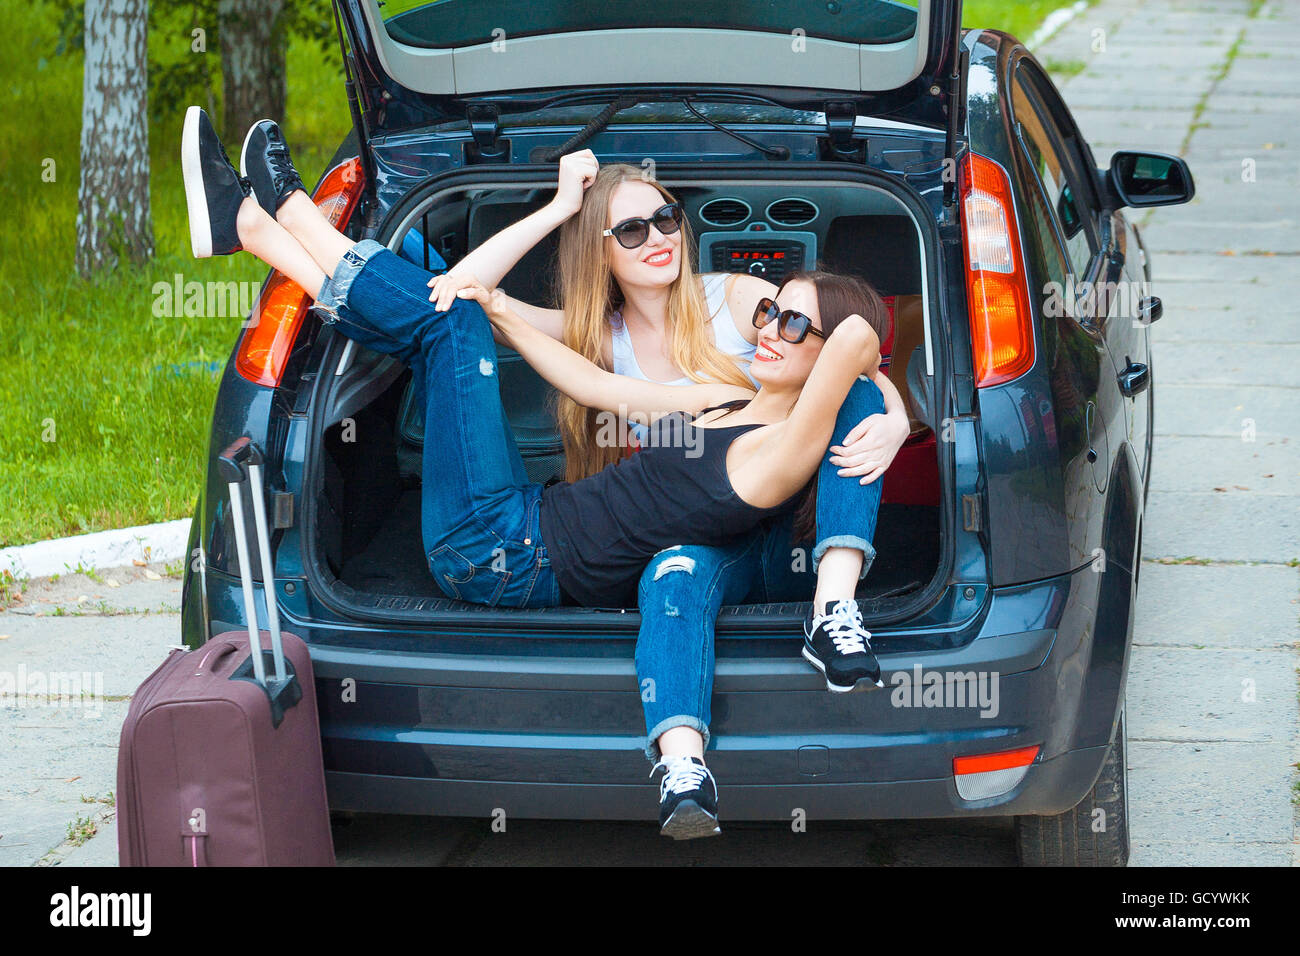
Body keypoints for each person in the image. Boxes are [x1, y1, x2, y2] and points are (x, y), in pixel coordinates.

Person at [182, 107, 890, 837]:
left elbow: (860, 342)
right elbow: (599, 390)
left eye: (798, 326)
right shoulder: (720, 400)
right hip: (522, 512)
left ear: (826, 367)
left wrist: (889, 414)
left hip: (501, 552)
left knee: (446, 325)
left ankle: (273, 219)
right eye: (775, 315)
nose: (773, 328)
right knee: (447, 304)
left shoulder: (783, 450)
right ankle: (259, 231)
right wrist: (513, 290)